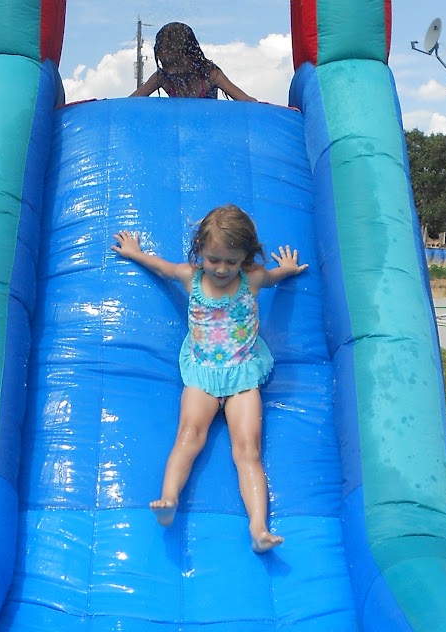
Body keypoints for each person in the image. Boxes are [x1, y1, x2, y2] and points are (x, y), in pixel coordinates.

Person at [113, 204, 307, 552]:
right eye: (214, 259)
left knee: (248, 450)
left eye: (231, 262)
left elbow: (276, 278)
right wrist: (136, 254)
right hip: (202, 374)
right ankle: (168, 500)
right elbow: (163, 269)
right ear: (199, 250)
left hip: (243, 374)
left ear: (246, 258)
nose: (221, 269)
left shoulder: (254, 279)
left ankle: (259, 528)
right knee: (189, 435)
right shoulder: (191, 277)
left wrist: (287, 269)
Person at [132, 21, 257, 100]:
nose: (169, 71)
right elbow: (130, 103)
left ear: (190, 56)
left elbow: (246, 101)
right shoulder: (162, 77)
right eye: (164, 64)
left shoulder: (210, 75)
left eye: (173, 63)